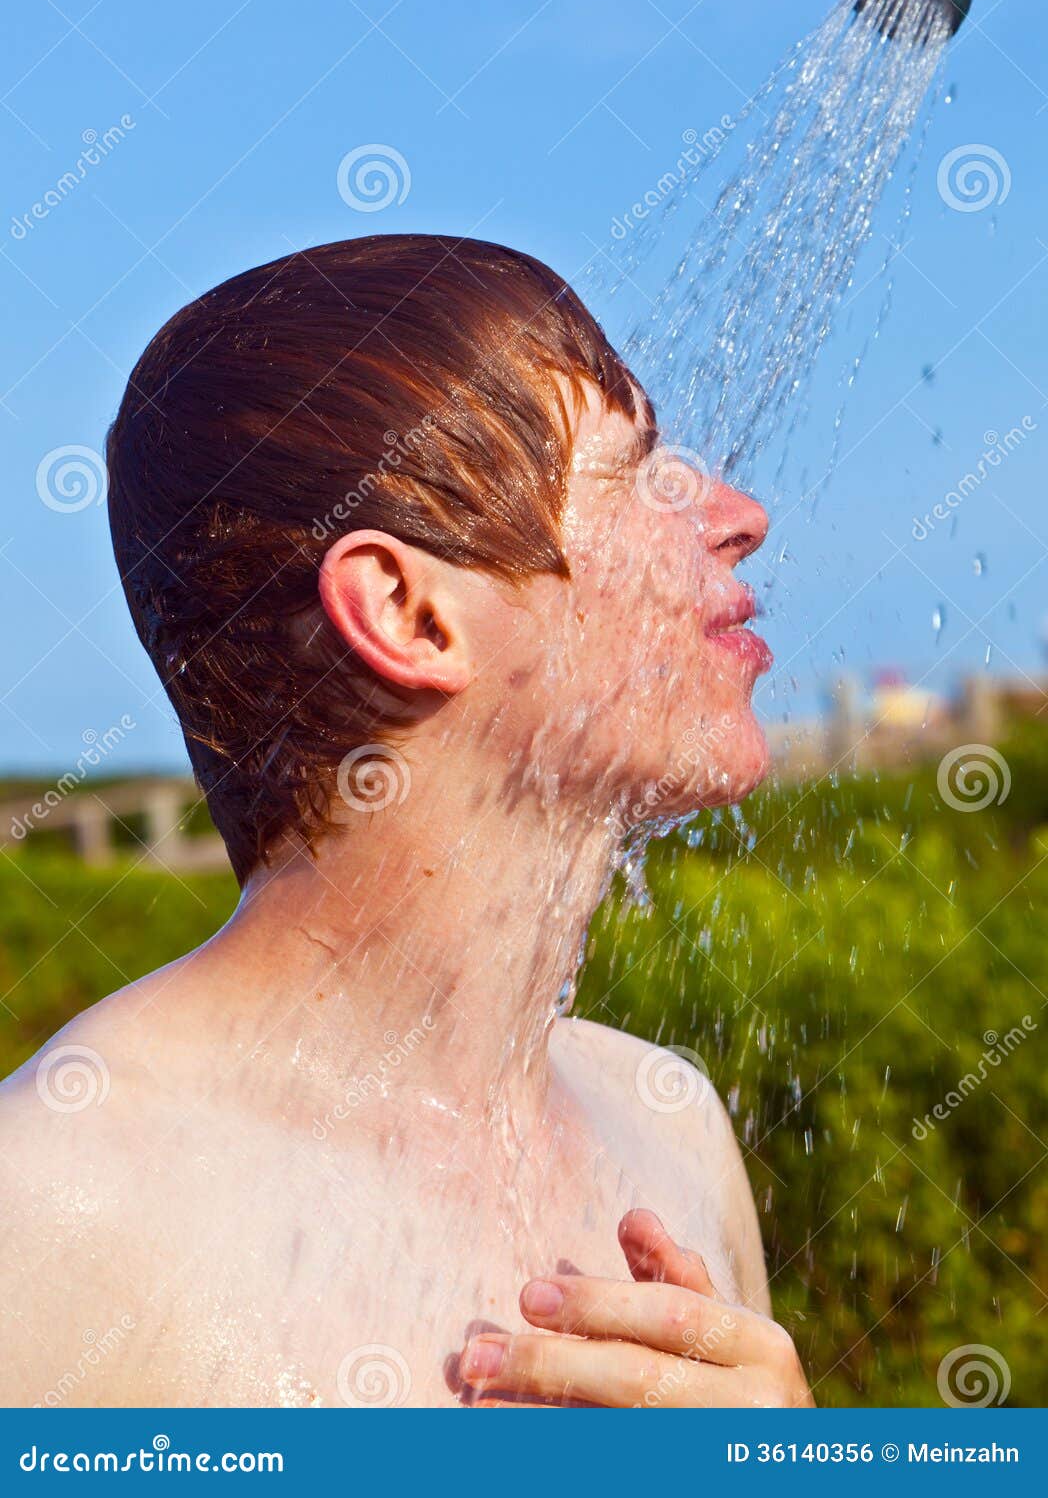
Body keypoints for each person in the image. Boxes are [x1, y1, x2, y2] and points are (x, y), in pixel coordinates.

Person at [0, 235, 812, 1408]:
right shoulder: (56, 1212)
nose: (738, 515)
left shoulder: (669, 1128)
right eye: (638, 472)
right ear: (407, 611)